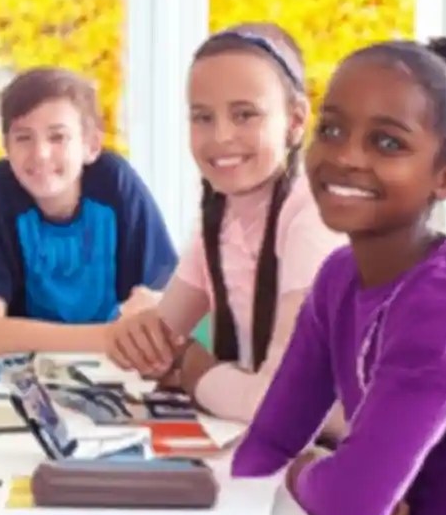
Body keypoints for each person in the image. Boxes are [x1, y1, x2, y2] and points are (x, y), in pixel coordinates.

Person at [231, 33, 446, 515]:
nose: (346, 157)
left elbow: (351, 500)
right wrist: (311, 472)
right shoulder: (339, 277)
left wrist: (307, 467)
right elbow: (269, 441)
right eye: (331, 129)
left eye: (387, 143)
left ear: (444, 179)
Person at [104, 24, 347, 430]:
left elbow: (287, 405)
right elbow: (159, 347)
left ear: (295, 120)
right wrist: (134, 335)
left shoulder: (312, 221)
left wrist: (192, 367)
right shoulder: (223, 219)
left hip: (379, 477)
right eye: (202, 117)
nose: (221, 136)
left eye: (245, 114)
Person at [0, 67, 178, 357]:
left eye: (58, 137)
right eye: (24, 138)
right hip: (30, 376)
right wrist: (113, 336)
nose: (40, 153)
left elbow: (164, 311)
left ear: (91, 146)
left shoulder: (115, 183)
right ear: (6, 147)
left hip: (119, 372)